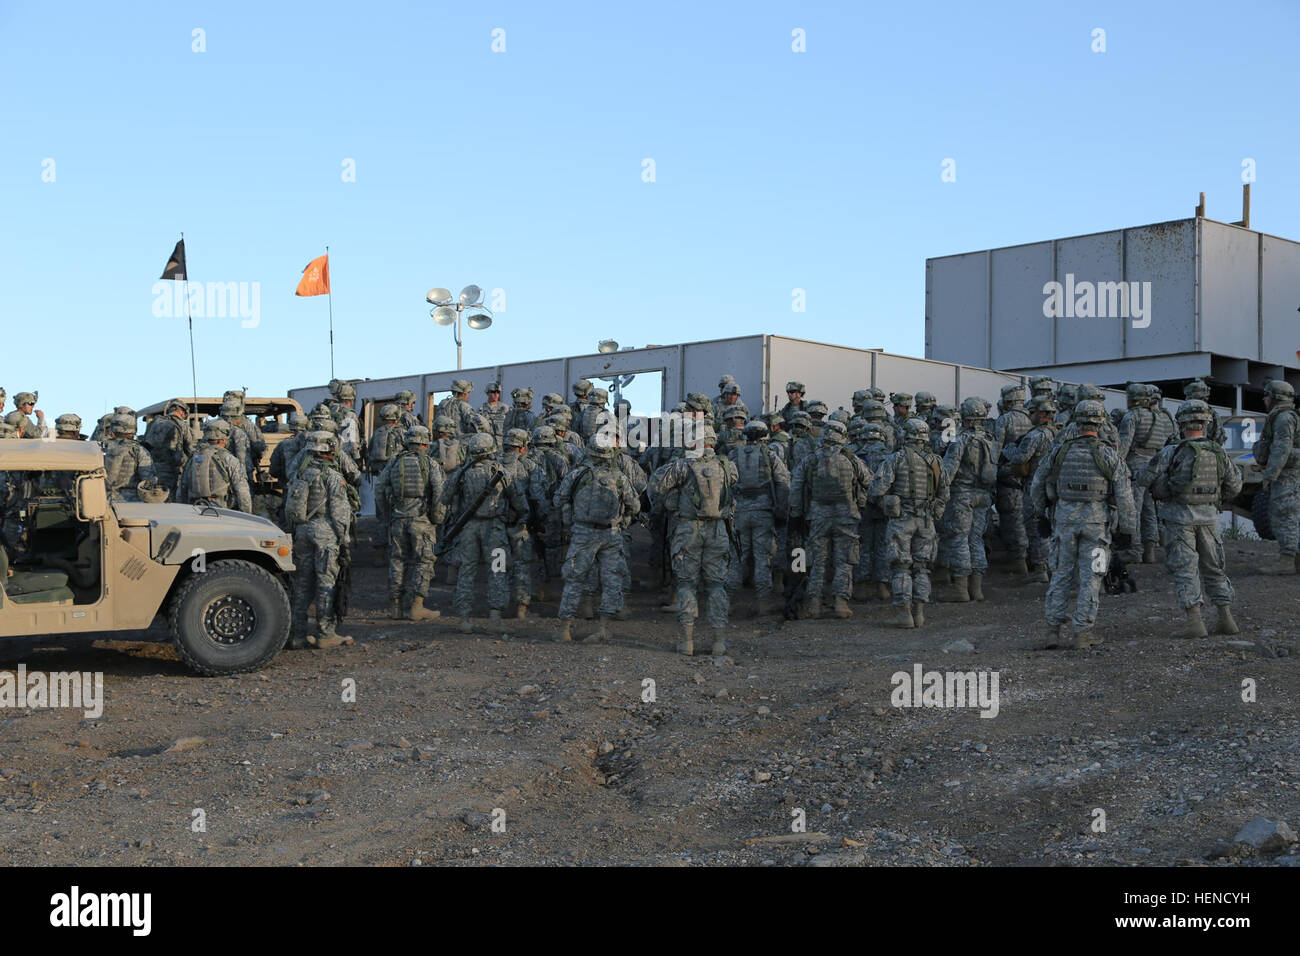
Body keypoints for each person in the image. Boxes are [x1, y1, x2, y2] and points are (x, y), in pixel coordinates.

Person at [1030, 400, 1136, 649]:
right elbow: (1124, 495)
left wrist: (1041, 515)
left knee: (1060, 574)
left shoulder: (1060, 451)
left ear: (1076, 422)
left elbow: (1037, 484)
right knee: (1093, 577)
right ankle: (1082, 632)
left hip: (1064, 522)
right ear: (1100, 423)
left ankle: (1052, 632)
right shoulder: (1109, 453)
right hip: (1097, 526)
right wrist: (1128, 529)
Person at [1140, 400, 1242, 637]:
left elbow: (1145, 478)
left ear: (1181, 423)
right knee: (1215, 568)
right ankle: (1226, 619)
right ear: (1206, 424)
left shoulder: (1171, 451)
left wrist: (1158, 484)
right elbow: (1235, 486)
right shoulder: (1219, 452)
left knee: (1185, 568)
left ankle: (1194, 623)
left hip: (1179, 519)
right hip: (1209, 518)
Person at [648, 423, 737, 656]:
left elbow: (656, 485)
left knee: (687, 584)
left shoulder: (682, 465)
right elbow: (733, 485)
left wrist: (676, 493)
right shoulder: (727, 466)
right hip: (718, 529)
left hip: (688, 529)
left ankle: (687, 641)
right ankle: (719, 641)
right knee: (717, 585)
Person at [552, 430, 641, 643]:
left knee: (574, 579)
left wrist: (569, 517)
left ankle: (565, 629)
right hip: (611, 534)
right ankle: (602, 628)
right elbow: (635, 505)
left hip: (583, 532)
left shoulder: (577, 475)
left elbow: (559, 500)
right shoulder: (619, 477)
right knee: (611, 580)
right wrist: (625, 520)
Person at [440, 432, 527, 631]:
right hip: (494, 529)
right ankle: (495, 619)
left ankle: (464, 620)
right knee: (498, 570)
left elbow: (444, 498)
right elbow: (518, 500)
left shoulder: (461, 473)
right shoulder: (500, 471)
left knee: (466, 571)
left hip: (467, 528)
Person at [868, 418, 949, 628]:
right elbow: (945, 493)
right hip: (926, 521)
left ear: (907, 435)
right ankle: (919, 613)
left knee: (901, 567)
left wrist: (883, 502)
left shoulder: (896, 459)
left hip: (901, 520)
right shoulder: (936, 461)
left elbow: (876, 489)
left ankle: (904, 614)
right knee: (922, 568)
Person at [788, 419, 871, 618]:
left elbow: (796, 488)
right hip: (847, 516)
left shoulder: (810, 459)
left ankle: (814, 604)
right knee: (844, 561)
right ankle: (841, 603)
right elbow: (868, 479)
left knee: (818, 561)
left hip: (817, 516)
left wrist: (797, 513)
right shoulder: (851, 458)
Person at [285, 431, 355, 649]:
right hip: (325, 534)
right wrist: (344, 539)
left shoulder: (301, 474)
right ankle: (325, 633)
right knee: (327, 583)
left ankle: (297, 634)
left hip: (303, 532)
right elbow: (340, 513)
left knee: (303, 585)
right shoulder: (333, 477)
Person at [376, 425, 445, 621]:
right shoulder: (430, 463)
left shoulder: (395, 463)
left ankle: (395, 607)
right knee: (423, 561)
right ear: (425, 443)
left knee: (398, 560)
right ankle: (417, 606)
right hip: (421, 519)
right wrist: (436, 517)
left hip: (398, 518)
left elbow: (380, 487)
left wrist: (385, 515)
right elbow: (439, 490)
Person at [936, 398, 997, 603]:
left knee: (959, 538)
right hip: (983, 495)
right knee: (976, 539)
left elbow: (949, 469)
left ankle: (961, 590)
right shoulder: (990, 438)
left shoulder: (960, 439)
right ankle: (977, 590)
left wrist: (939, 494)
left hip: (962, 494)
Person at [727, 419, 790, 615]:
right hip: (763, 512)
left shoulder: (733, 455)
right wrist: (781, 508)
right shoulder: (770, 455)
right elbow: (783, 482)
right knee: (762, 558)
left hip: (739, 512)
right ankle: (763, 603)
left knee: (737, 558)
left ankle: (727, 602)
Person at [999, 395, 1059, 583]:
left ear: (1041, 414)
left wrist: (1007, 448)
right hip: (1053, 487)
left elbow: (1019, 458)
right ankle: (1053, 566)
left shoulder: (1035, 435)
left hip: (1035, 487)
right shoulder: (1059, 434)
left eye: (1031, 412)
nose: (1029, 416)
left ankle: (1040, 568)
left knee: (1036, 528)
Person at [1118, 384, 1174, 563]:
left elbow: (1125, 444)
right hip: (1156, 464)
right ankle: (1150, 549)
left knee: (1133, 509)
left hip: (1137, 465)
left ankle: (1134, 550)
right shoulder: (1161, 418)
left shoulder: (1132, 416)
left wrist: (1118, 464)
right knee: (1150, 509)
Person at [1253, 379, 1300, 575]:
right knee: (1290, 514)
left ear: (1275, 398)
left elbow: (1282, 448)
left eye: (1267, 395)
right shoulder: (1283, 416)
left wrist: (1270, 475)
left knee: (1284, 514)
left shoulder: (1283, 418)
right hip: (1288, 472)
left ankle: (1287, 560)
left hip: (1286, 474)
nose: (1264, 399)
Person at [993, 383, 1033, 574]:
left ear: (1007, 401)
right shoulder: (1033, 416)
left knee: (1012, 518)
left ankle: (1019, 561)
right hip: (1030, 476)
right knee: (1029, 518)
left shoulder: (1005, 420)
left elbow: (996, 449)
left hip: (1009, 476)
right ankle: (1035, 560)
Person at [177, 419, 252, 513]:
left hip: (195, 511)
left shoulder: (193, 458)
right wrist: (247, 516)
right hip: (220, 512)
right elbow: (243, 493)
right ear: (224, 439)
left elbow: (181, 491)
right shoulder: (229, 459)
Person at [142, 399, 194, 495]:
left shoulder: (154, 423)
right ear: (182, 411)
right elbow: (190, 450)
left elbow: (144, 444)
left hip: (150, 469)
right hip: (170, 470)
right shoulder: (182, 425)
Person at [102, 414, 157, 502]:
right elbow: (148, 481)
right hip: (130, 503)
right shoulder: (139, 450)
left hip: (101, 500)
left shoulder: (100, 447)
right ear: (134, 431)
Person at [479, 382, 508, 449]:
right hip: (487, 443)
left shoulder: (505, 408)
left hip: (502, 443)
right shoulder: (481, 409)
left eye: (498, 392)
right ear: (487, 393)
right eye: (493, 392)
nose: (495, 394)